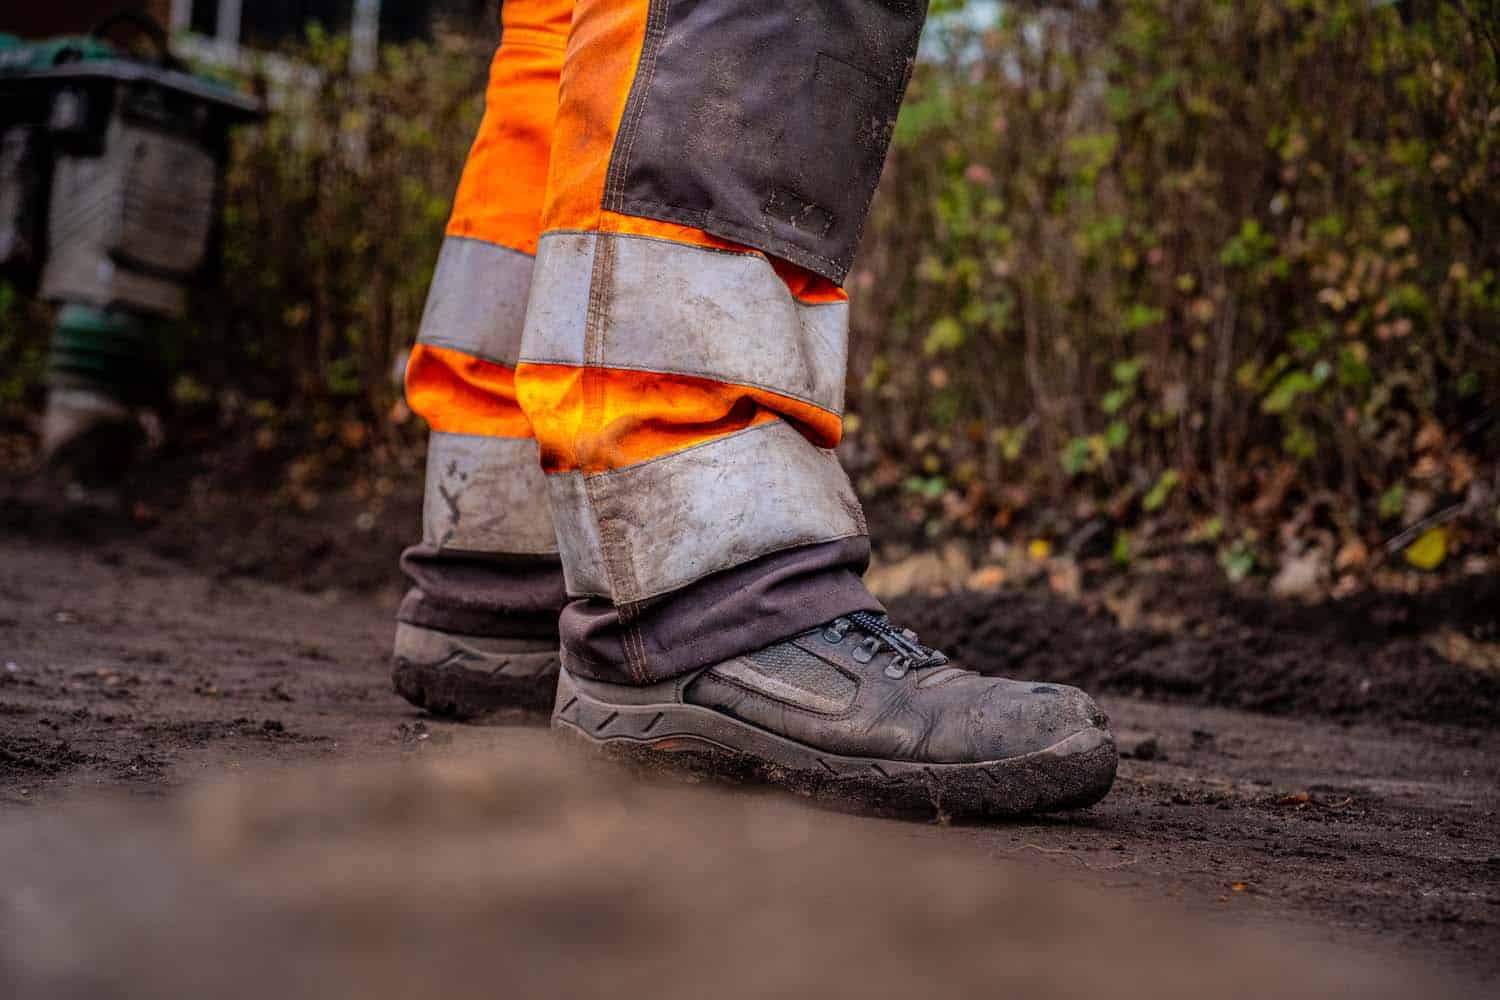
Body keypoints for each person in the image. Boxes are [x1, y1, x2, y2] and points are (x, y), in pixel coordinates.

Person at [392, 0, 1117, 816]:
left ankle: (516, 557)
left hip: (533, 532)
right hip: (672, 571)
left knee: (572, 19)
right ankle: (700, 593)